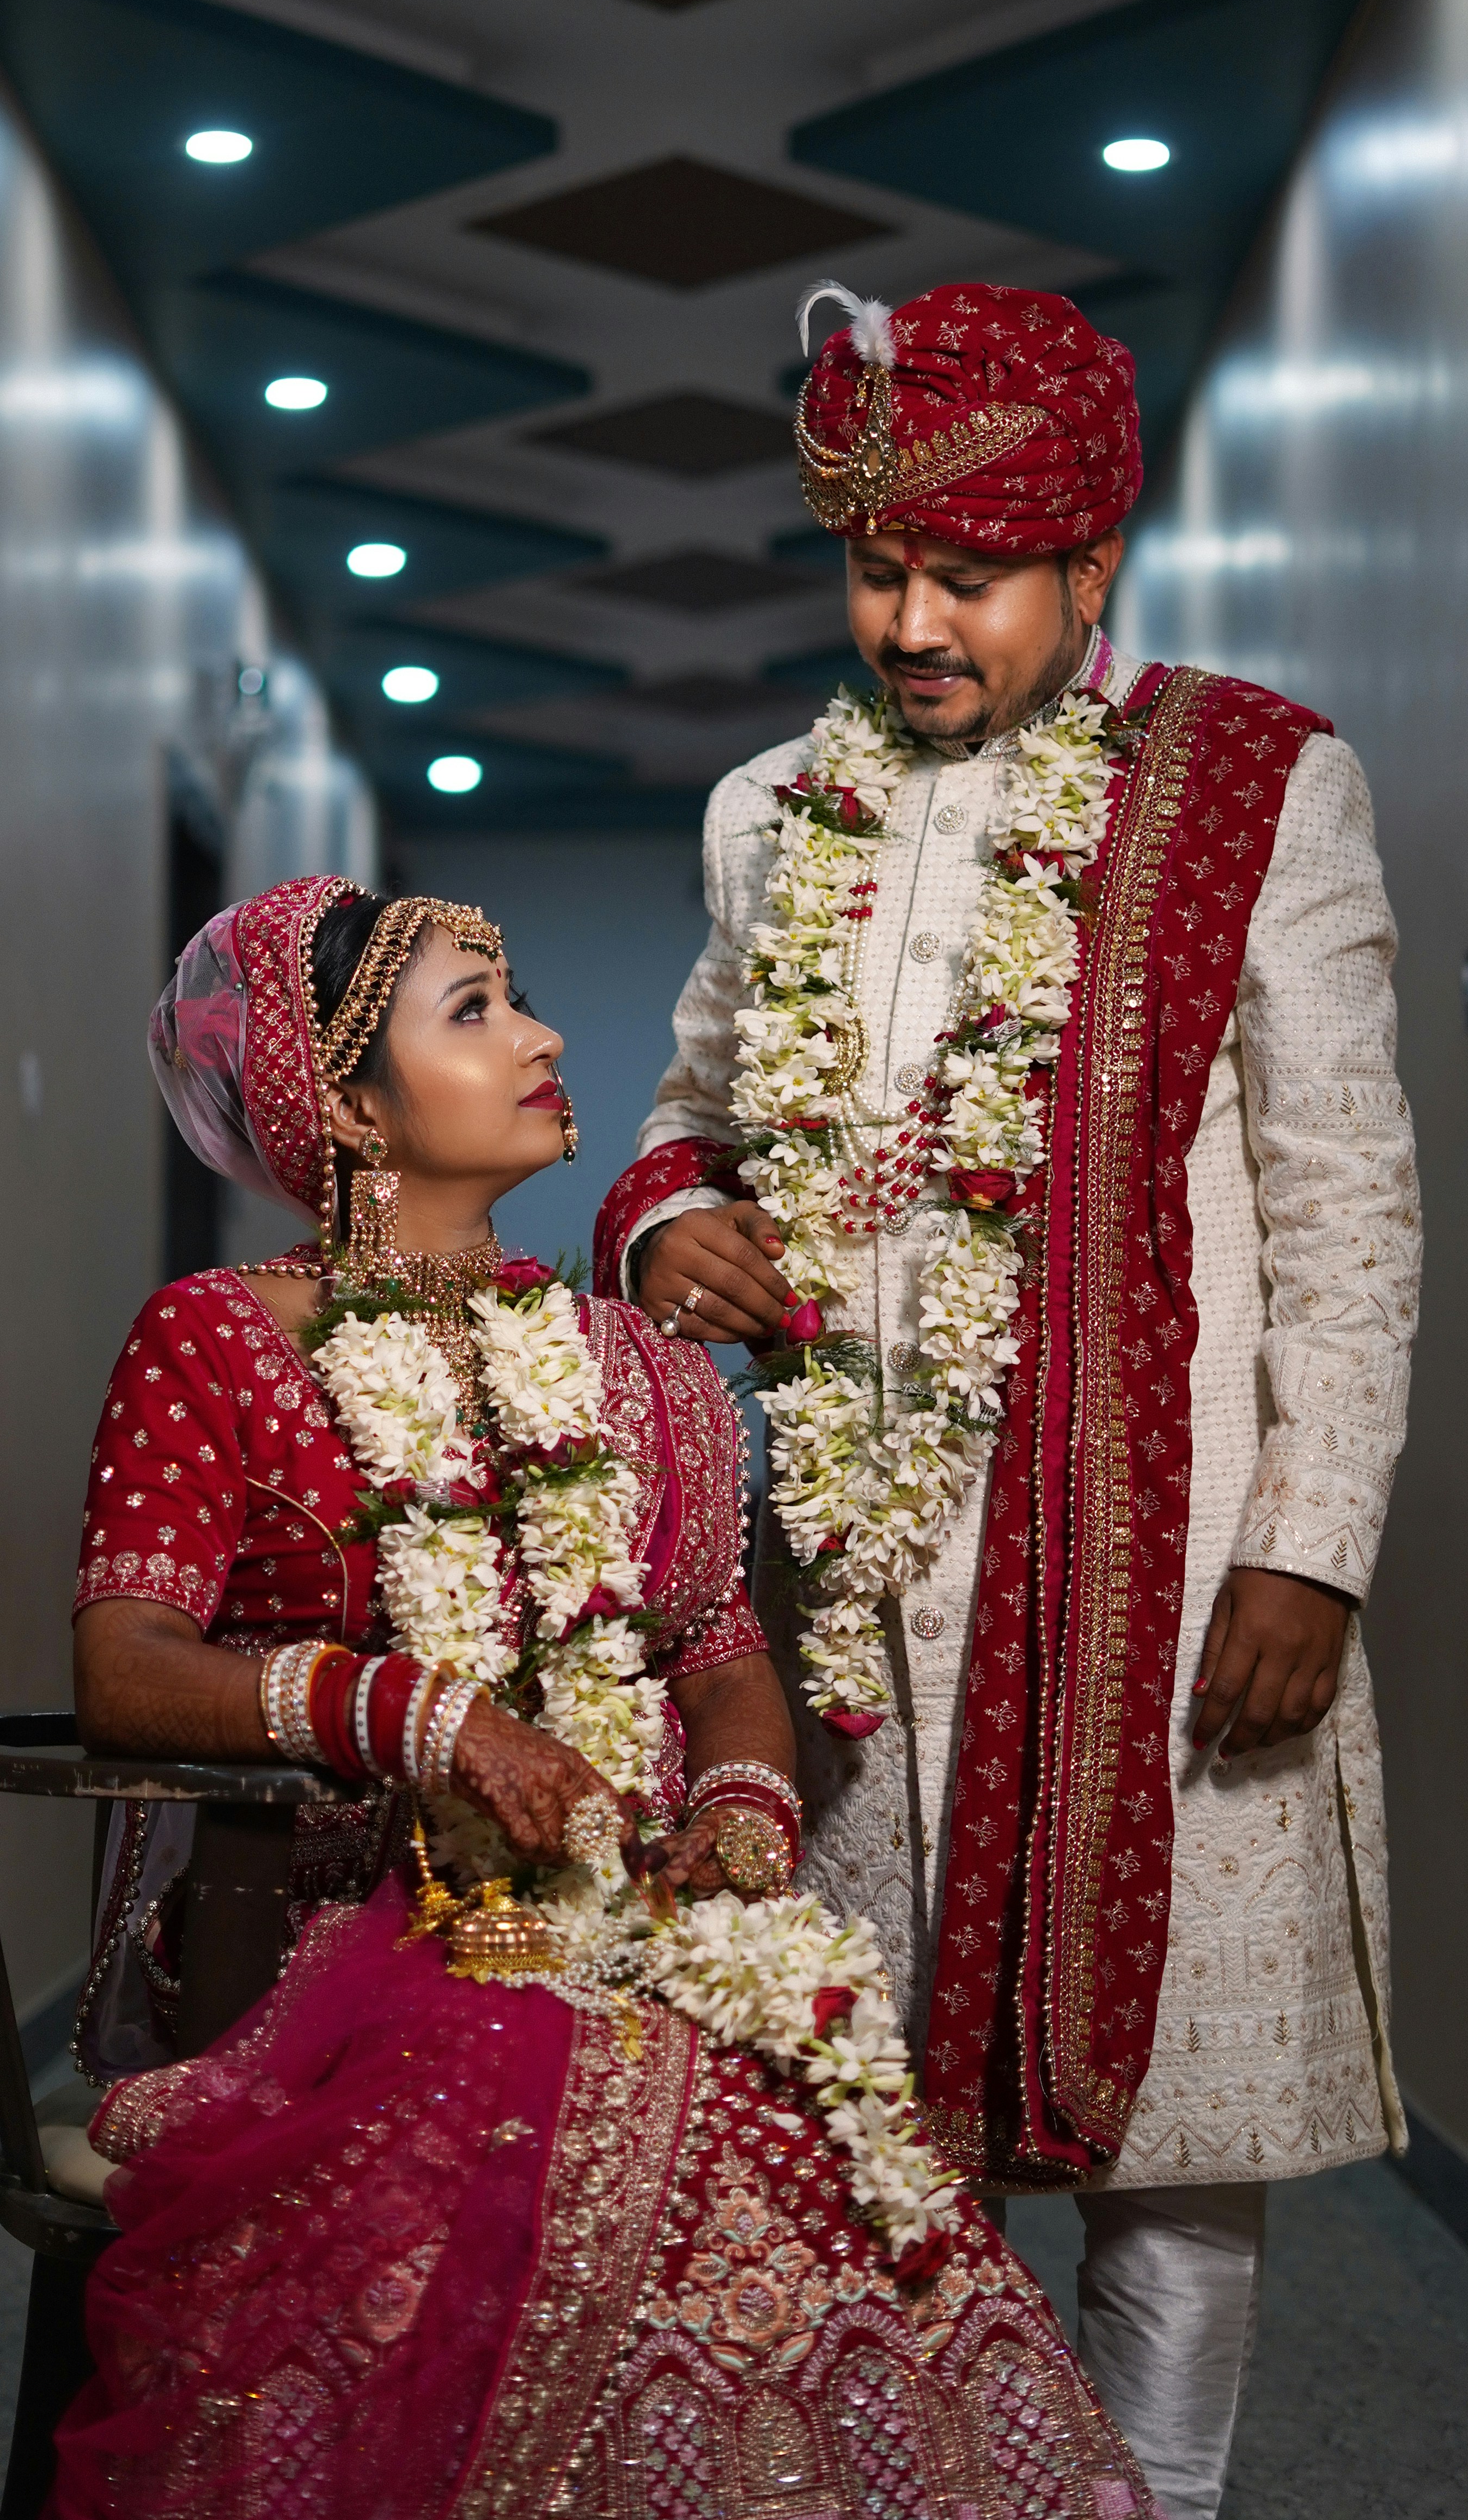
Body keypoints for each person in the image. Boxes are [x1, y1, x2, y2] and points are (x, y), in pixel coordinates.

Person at [595, 282, 1422, 2520]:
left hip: (1177, 1572)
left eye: (969, 576)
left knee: (1175, 2157)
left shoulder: (1261, 784)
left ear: (1093, 562)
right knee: (859, 2131)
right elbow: (684, 1113)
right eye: (878, 569)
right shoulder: (773, 811)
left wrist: (1312, 1544)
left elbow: (1349, 1203)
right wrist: (668, 1222)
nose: (912, 624)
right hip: (860, 1600)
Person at [50, 871, 1161, 2520]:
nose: (546, 1037)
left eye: (518, 997)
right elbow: (126, 1666)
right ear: (349, 1104)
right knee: (575, 2099)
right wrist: (424, 1719)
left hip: (631, 1906)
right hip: (316, 1920)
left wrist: (743, 1808)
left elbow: (716, 1647)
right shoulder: (221, 1340)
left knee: (826, 2109)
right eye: (475, 1011)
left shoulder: (637, 1363)